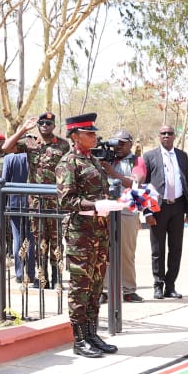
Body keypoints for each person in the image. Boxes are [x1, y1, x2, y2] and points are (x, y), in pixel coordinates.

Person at [55, 112, 117, 358]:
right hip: (80, 233)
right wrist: (94, 205)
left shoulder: (93, 161)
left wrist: (112, 202)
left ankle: (92, 334)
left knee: (95, 285)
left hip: (99, 231)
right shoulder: (68, 163)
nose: (94, 136)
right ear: (75, 136)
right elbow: (66, 200)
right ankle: (79, 339)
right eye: (89, 133)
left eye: (94, 133)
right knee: (80, 287)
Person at [3, 112, 72, 288]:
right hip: (36, 202)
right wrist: (23, 129)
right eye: (41, 123)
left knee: (56, 241)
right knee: (40, 240)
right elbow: (6, 147)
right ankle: (43, 279)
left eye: (48, 123)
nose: (44, 126)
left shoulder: (63, 145)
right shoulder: (30, 143)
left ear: (54, 126)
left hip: (56, 200)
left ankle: (56, 280)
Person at [143, 125, 188, 299]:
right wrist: (147, 212)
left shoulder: (182, 156)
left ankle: (170, 286)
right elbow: (144, 186)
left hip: (178, 207)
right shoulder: (149, 156)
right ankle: (158, 285)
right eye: (163, 133)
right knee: (157, 249)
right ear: (159, 136)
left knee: (176, 248)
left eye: (170, 133)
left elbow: (187, 182)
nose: (166, 136)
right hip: (158, 208)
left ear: (174, 136)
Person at [106, 129, 146, 302]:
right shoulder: (107, 158)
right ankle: (105, 291)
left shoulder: (137, 161)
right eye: (116, 143)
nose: (119, 147)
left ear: (130, 144)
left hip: (128, 211)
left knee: (127, 252)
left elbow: (136, 182)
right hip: (106, 209)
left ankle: (128, 290)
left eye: (122, 143)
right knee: (105, 251)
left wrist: (112, 172)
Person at [0, 151, 36, 286]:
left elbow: (3, 180)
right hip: (31, 202)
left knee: (18, 239)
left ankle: (20, 274)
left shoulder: (9, 157)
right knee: (31, 240)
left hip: (14, 202)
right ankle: (31, 274)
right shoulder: (33, 156)